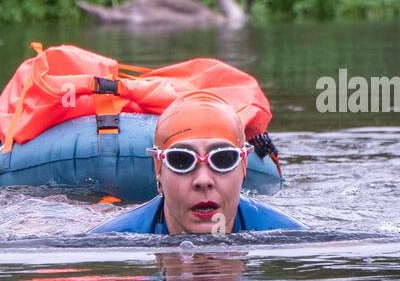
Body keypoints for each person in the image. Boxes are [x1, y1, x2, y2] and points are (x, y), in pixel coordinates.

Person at [89, 90, 303, 235]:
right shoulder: (112, 237)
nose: (203, 180)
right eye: (182, 160)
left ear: (244, 165)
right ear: (158, 167)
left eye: (223, 159)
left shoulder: (288, 234)